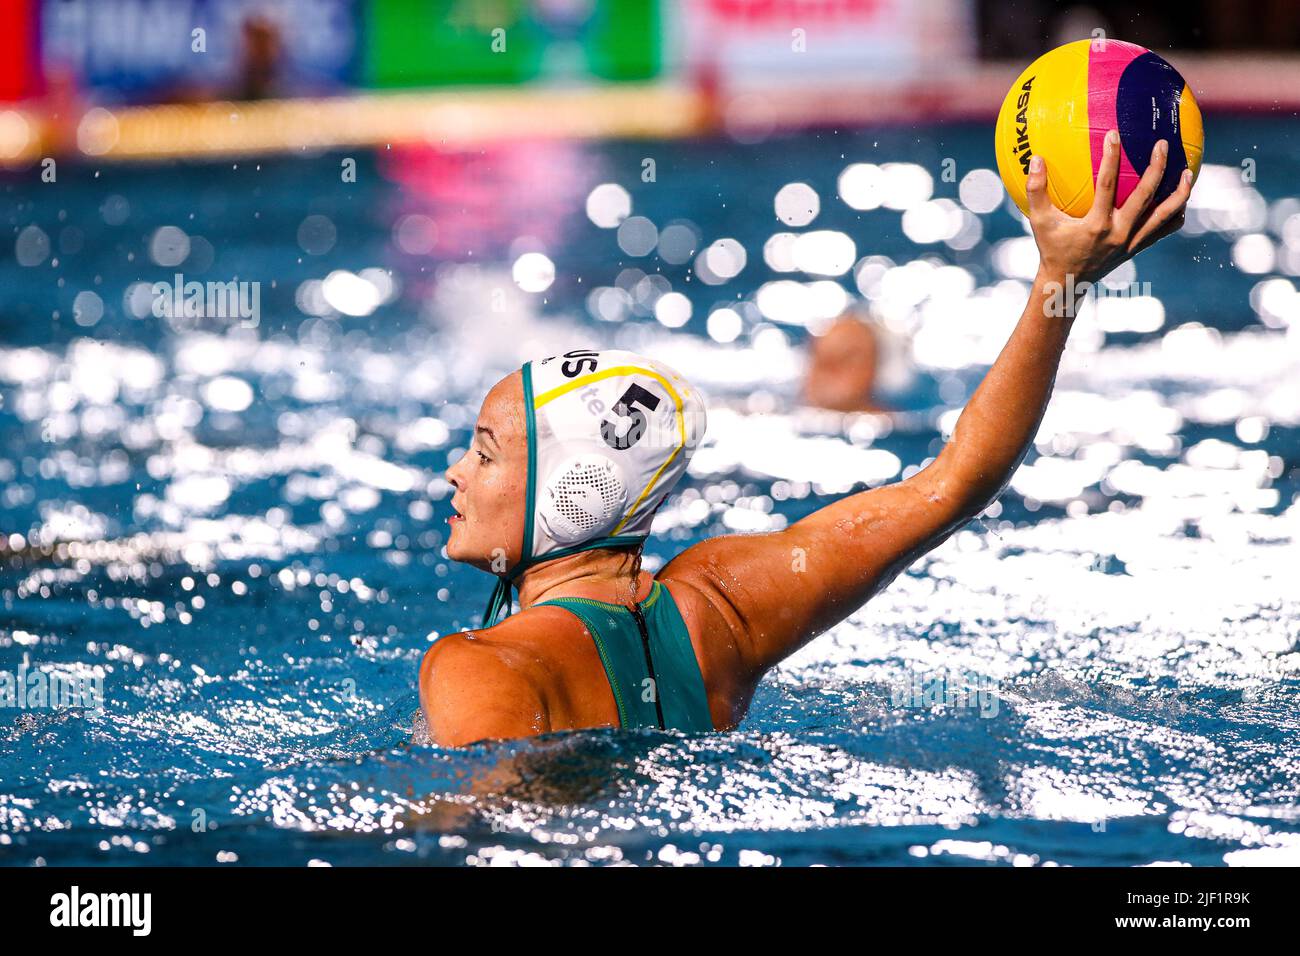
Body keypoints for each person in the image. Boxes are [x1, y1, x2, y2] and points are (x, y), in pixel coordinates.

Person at [419, 133, 1191, 747]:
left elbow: (486, 834)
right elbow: (954, 482)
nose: (454, 472)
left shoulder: (477, 668)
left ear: (573, 491)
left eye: (484, 452)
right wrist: (1062, 278)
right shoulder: (719, 611)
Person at [802, 309, 891, 413]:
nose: (830, 367)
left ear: (873, 368)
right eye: (821, 358)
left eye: (847, 357)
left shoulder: (896, 425)